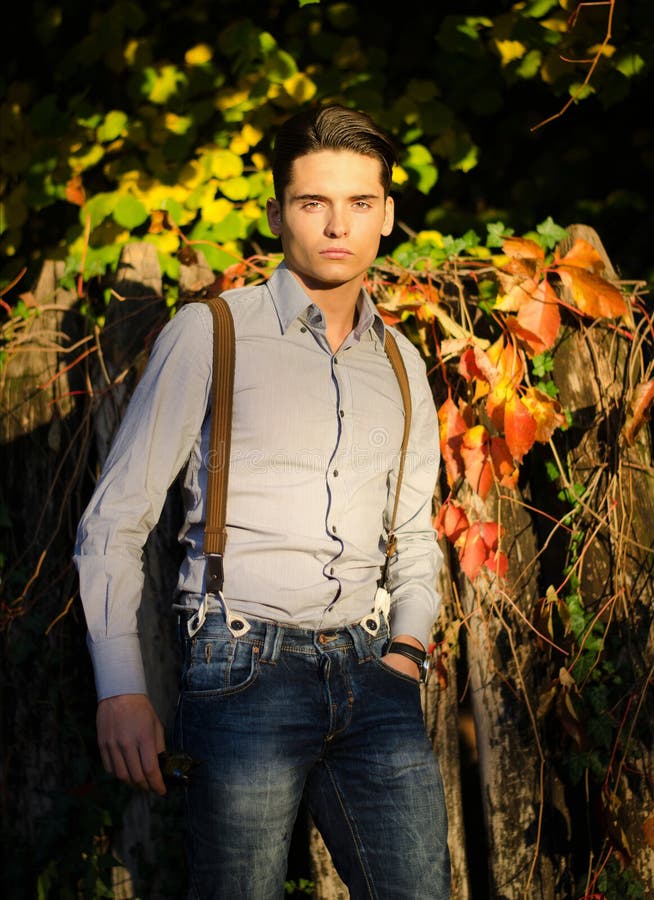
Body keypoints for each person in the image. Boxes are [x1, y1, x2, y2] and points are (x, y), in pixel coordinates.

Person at [74, 104, 450, 899]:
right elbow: (115, 520)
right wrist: (122, 687)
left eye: (359, 203)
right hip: (242, 672)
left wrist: (406, 652)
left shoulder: (404, 364)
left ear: (388, 215)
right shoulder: (210, 332)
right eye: (313, 202)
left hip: (374, 675)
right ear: (279, 211)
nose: (336, 225)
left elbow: (414, 537)